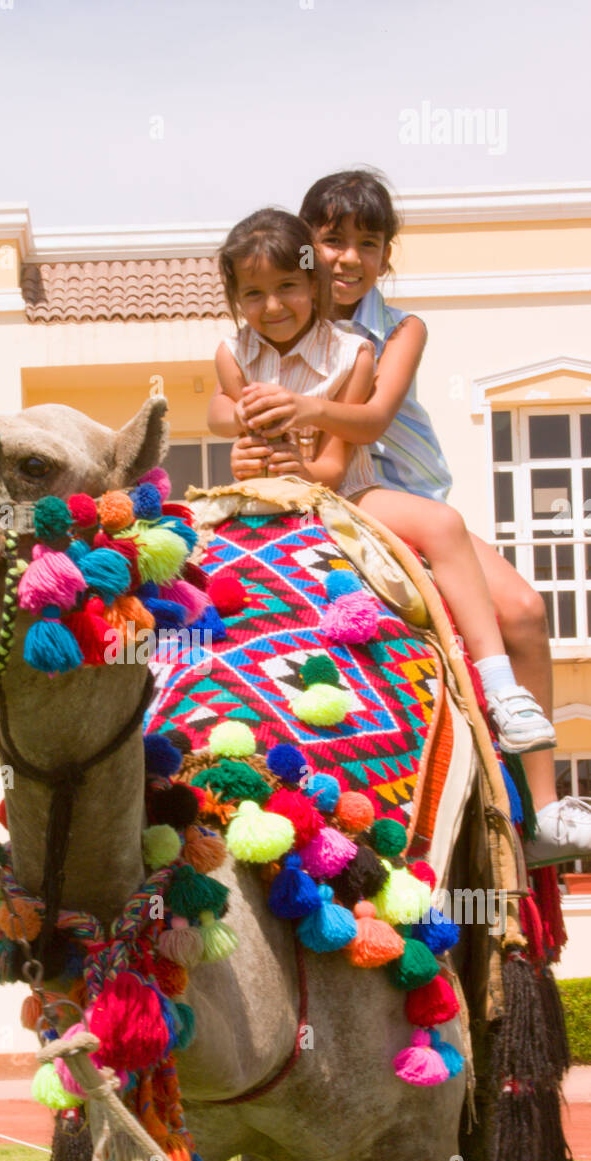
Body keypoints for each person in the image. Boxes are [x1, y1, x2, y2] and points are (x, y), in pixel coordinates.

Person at [207, 206, 578, 860]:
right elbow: (221, 411)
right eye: (332, 242)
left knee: (452, 536)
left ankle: (500, 691)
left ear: (311, 281)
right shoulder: (238, 352)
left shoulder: (372, 343)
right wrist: (241, 433)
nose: (346, 257)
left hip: (360, 488)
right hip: (266, 495)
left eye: (366, 243)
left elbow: (347, 446)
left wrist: (301, 422)